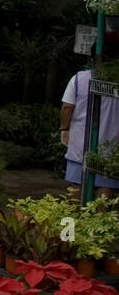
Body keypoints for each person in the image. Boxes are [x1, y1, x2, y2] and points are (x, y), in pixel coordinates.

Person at [61, 67, 119, 198]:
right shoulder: (116, 79)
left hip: (80, 144)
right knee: (106, 186)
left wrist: (64, 128)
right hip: (111, 145)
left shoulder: (79, 79)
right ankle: (101, 218)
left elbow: (67, 107)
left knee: (77, 184)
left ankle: (75, 217)